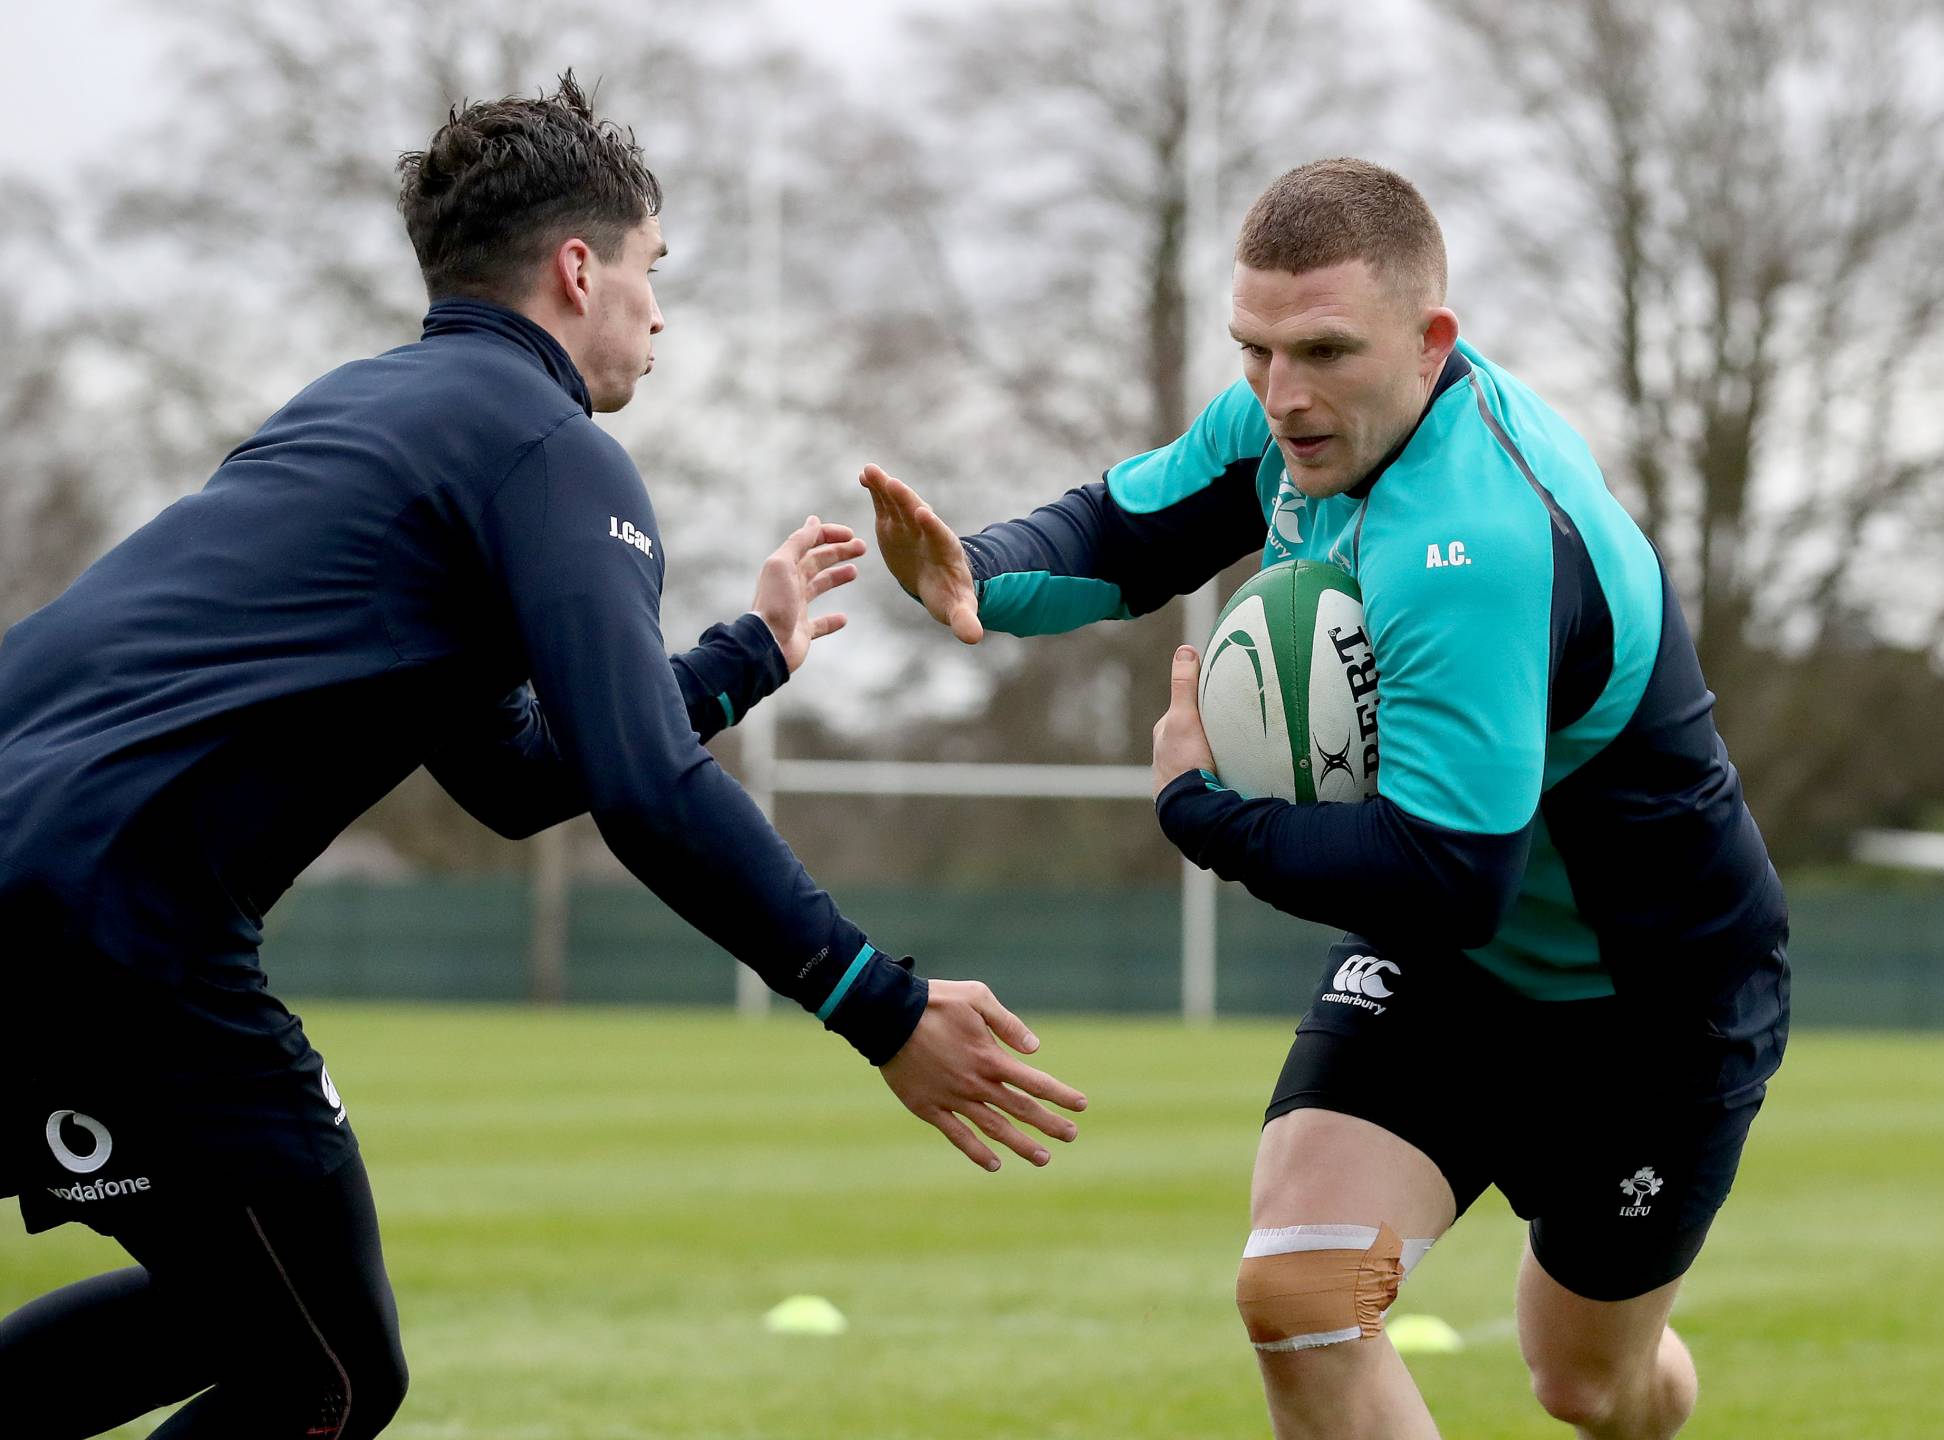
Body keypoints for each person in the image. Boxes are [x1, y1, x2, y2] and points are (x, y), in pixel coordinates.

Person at [0, 74, 1084, 1439]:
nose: (658, 312)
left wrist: (745, 654)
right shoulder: (548, 449)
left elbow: (512, 778)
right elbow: (642, 787)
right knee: (330, 1372)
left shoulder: (357, 414)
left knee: (258, 1316)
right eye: (651, 268)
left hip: (45, 891)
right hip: (114, 924)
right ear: (580, 269)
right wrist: (878, 1003)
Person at [863, 156, 1788, 1440]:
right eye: (1252, 350)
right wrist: (975, 569)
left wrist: (1199, 812)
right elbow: (1128, 531)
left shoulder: (1473, 544)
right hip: (1453, 972)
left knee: (1586, 1386)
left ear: (1430, 342)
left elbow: (1447, 878)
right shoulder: (1292, 421)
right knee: (1298, 1296)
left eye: (1322, 352)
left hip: (1649, 1005)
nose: (1280, 394)